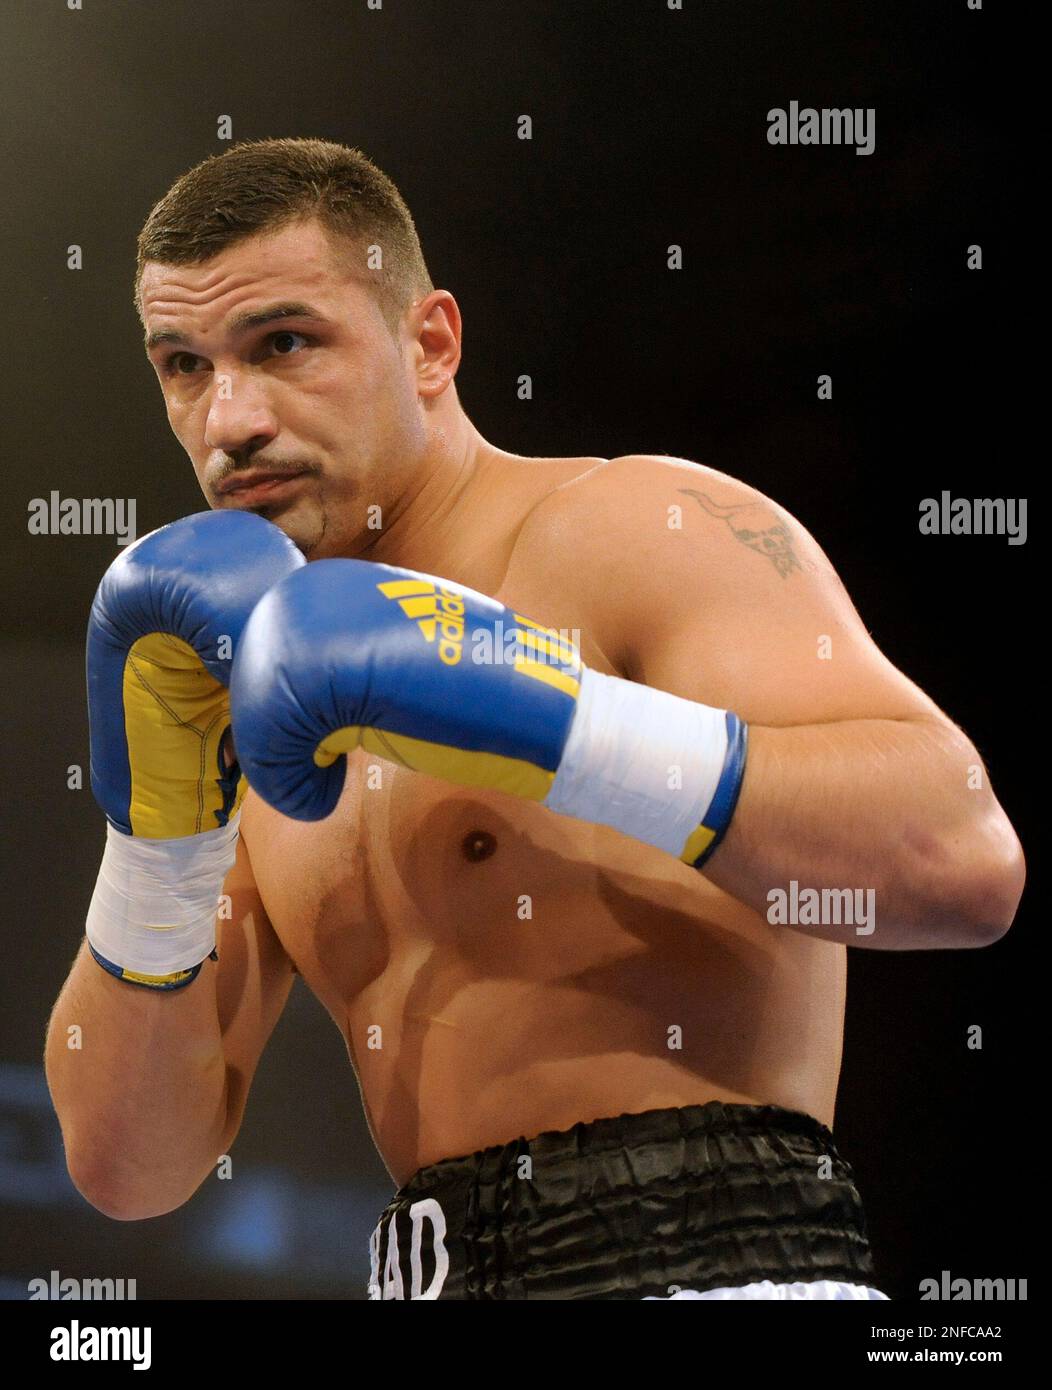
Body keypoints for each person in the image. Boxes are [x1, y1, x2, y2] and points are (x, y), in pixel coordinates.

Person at [45, 138, 1025, 1300]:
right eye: (182, 365)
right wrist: (155, 840)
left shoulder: (630, 527)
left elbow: (960, 863)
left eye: (284, 343)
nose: (230, 418)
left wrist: (554, 721)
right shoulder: (244, 703)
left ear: (429, 343)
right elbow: (131, 1166)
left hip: (714, 1267)